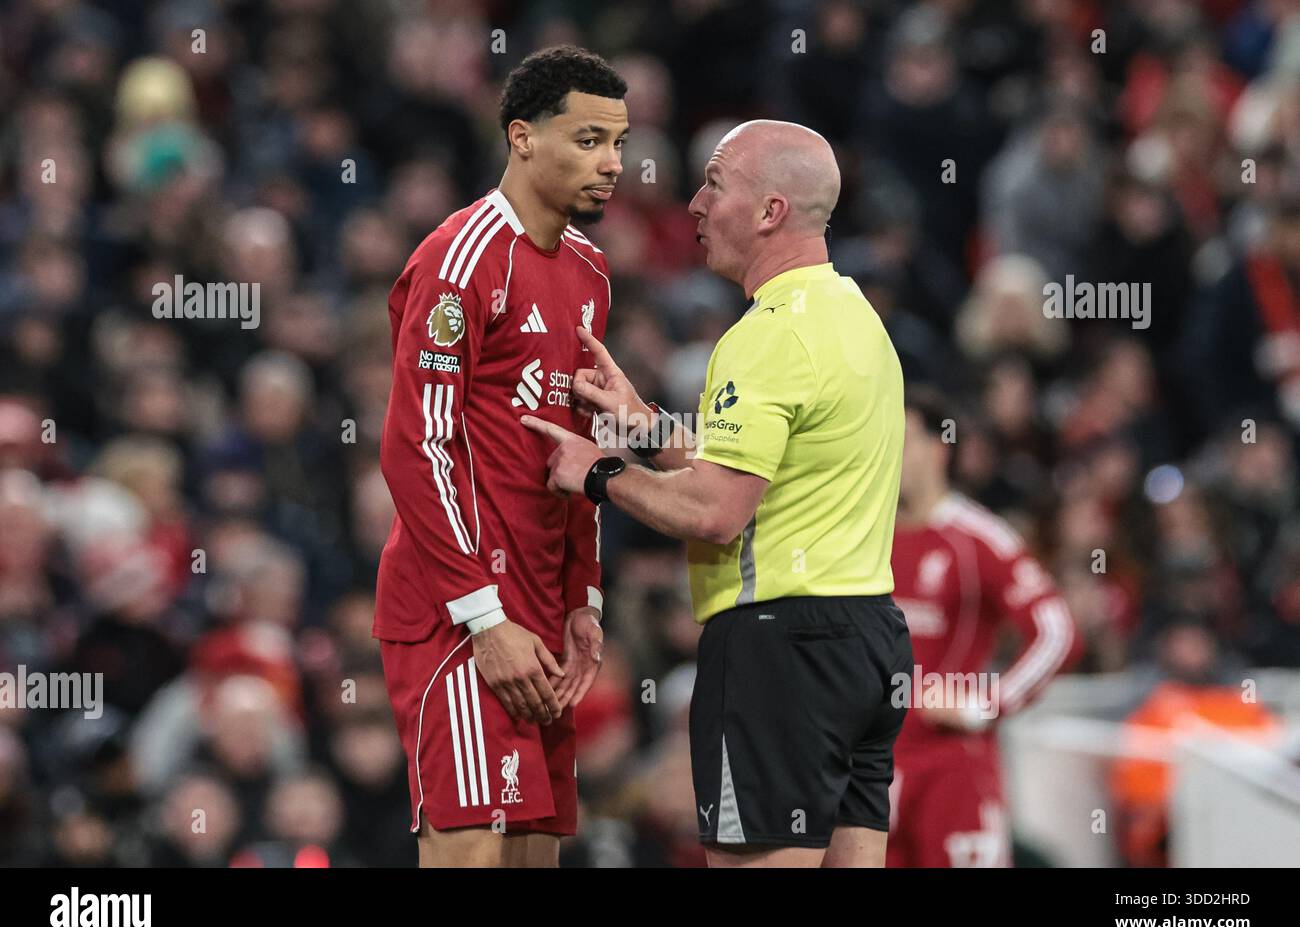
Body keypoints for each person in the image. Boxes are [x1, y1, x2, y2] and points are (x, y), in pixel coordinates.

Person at [524, 120, 911, 867]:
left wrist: (597, 471)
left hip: (779, 651)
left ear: (770, 212)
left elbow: (716, 510)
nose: (694, 204)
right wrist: (644, 425)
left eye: (715, 184)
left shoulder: (763, 336)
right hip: (870, 641)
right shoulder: (855, 317)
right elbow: (766, 467)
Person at [373, 46, 629, 868]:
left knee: (531, 858)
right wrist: (484, 617)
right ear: (522, 136)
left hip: (543, 617)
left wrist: (582, 595)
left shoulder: (591, 271)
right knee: (469, 854)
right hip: (458, 613)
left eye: (619, 142)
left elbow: (579, 448)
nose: (613, 163)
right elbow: (417, 444)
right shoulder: (459, 259)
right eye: (589, 139)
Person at [887, 387, 1079, 867]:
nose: (886, 454)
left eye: (902, 440)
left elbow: (1056, 631)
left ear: (939, 449)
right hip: (868, 766)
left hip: (952, 767)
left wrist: (986, 704)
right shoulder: (859, 538)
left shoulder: (977, 539)